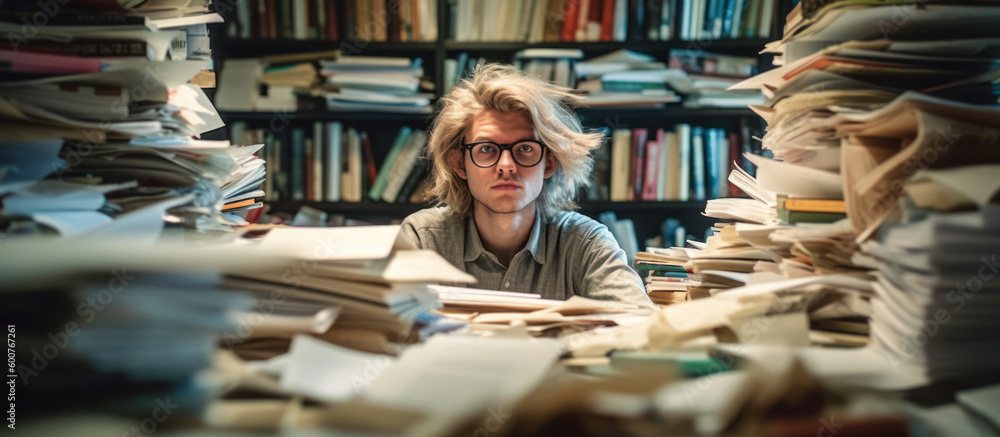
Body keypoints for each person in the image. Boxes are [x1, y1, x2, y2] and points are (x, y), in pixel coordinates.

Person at [400, 64, 655, 310]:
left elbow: (641, 328)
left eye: (524, 149)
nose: (507, 165)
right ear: (459, 164)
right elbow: (390, 332)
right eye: (487, 149)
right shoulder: (422, 238)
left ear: (549, 163)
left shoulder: (585, 242)